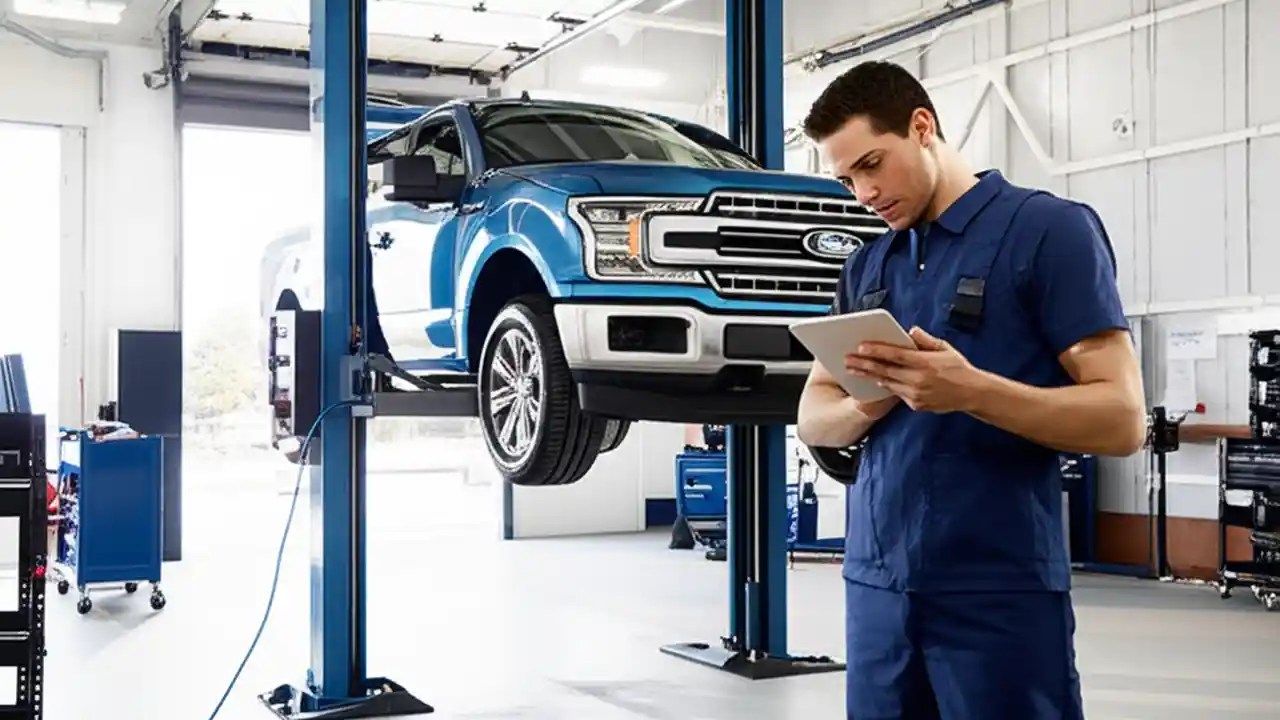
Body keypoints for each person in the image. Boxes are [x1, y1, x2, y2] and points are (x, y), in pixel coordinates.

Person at [795, 60, 1147, 719]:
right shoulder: (867, 267)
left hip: (998, 591)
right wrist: (869, 402)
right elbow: (813, 418)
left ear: (922, 127)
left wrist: (971, 390)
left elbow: (1123, 419)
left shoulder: (1048, 232)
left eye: (872, 164)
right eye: (846, 179)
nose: (863, 193)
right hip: (877, 588)